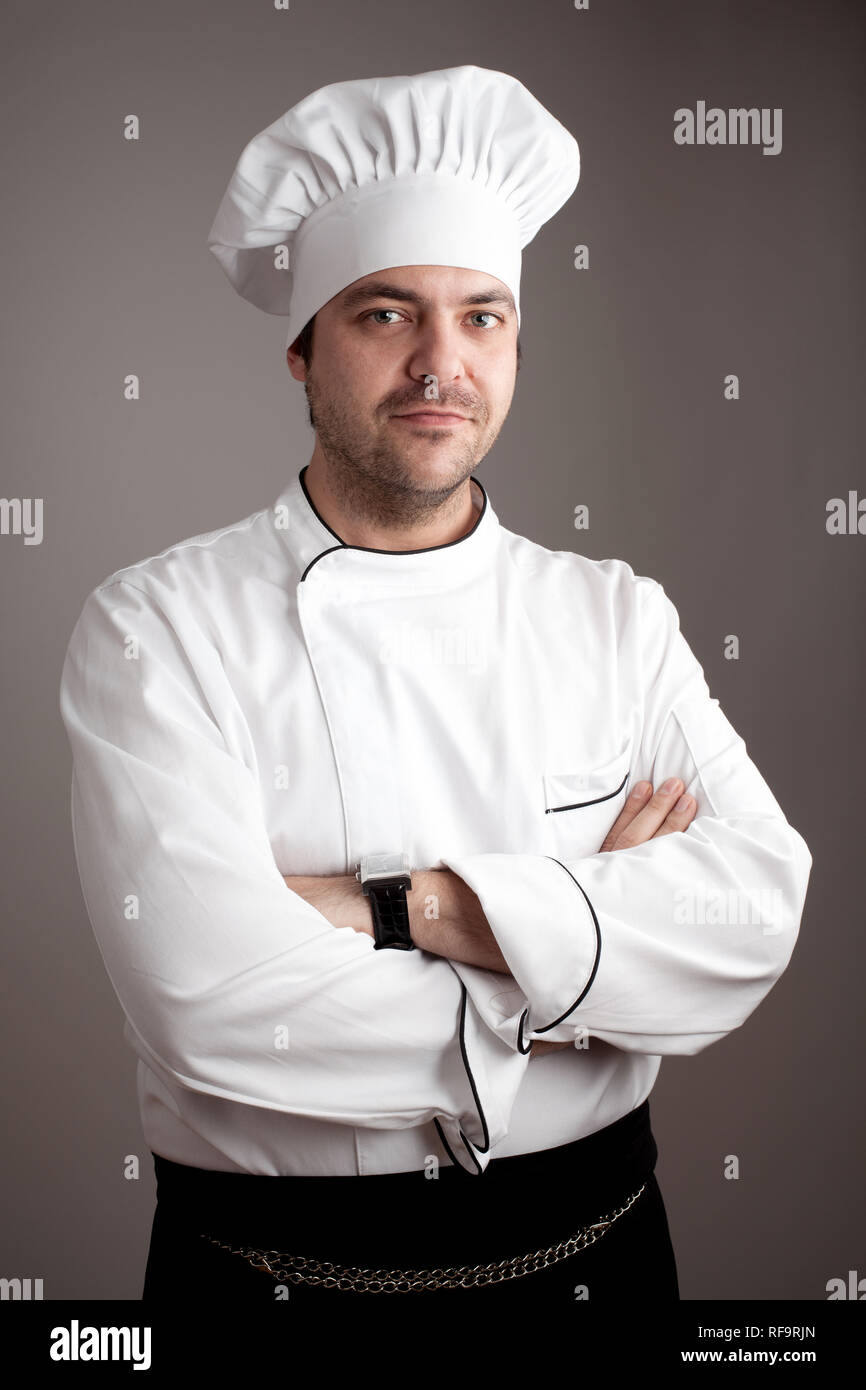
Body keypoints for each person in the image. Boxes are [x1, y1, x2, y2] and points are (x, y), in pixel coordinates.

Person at [59, 65, 811, 1309]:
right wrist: (582, 956)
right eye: (383, 314)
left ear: (515, 342)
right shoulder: (157, 626)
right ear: (300, 350)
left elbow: (751, 917)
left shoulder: (613, 615)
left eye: (480, 317)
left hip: (598, 1258)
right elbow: (209, 998)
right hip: (270, 1278)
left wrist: (398, 907)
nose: (437, 364)